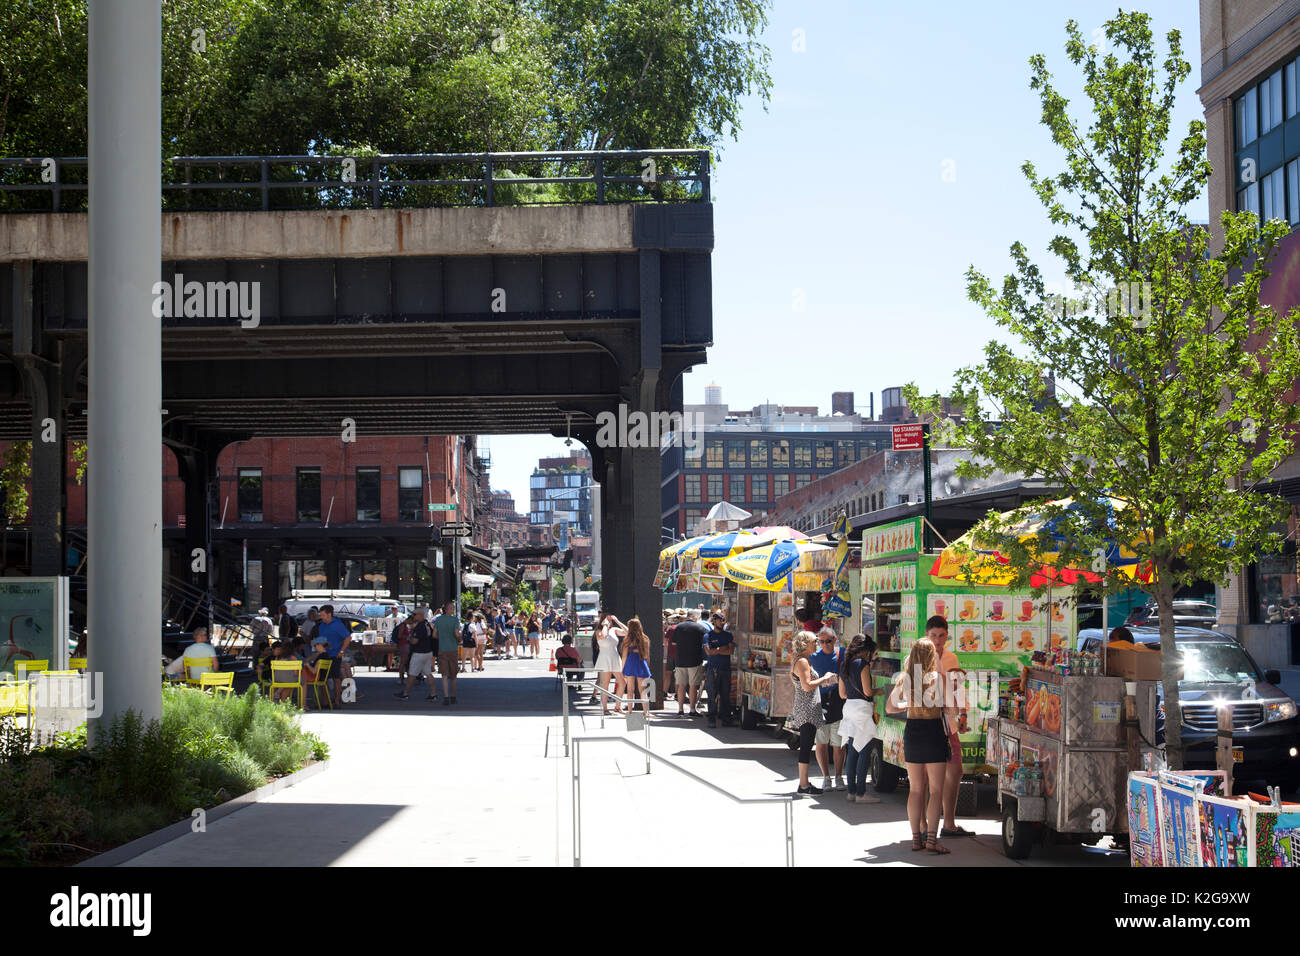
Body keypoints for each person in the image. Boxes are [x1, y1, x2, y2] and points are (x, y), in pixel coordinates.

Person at [887, 636, 951, 855]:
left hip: (913, 731)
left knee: (915, 790)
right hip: (933, 732)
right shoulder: (938, 678)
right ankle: (932, 841)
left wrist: (910, 705)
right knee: (936, 790)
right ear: (932, 656)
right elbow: (952, 709)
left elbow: (890, 707)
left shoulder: (906, 678)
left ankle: (916, 839)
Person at [928, 616, 973, 839]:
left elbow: (959, 688)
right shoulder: (917, 657)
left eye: (942, 635)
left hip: (948, 722)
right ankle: (926, 832)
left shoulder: (952, 657)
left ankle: (949, 823)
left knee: (955, 771)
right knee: (926, 779)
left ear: (947, 636)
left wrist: (963, 713)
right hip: (926, 723)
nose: (937, 640)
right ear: (927, 635)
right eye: (934, 635)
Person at [790, 630, 836, 795]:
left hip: (808, 706)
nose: (817, 643)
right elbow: (807, 685)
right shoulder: (802, 661)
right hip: (806, 708)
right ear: (805, 644)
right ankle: (803, 784)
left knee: (808, 744)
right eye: (814, 641)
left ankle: (805, 782)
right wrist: (824, 678)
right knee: (806, 745)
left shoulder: (804, 660)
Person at [838, 634, 881, 804]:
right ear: (865, 650)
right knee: (864, 750)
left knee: (852, 750)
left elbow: (842, 694)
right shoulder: (862, 664)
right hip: (862, 710)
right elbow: (868, 691)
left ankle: (851, 791)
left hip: (848, 709)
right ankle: (861, 793)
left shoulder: (844, 665)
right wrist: (880, 691)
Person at [809, 626, 846, 791]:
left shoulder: (842, 653)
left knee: (839, 744)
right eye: (821, 642)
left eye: (828, 641)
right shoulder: (812, 657)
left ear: (835, 640)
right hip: (820, 702)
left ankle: (839, 777)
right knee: (821, 742)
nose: (825, 645)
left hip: (838, 702)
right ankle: (826, 777)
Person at [313, 604, 356, 704]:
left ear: (329, 614)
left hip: (335, 655)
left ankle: (336, 701)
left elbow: (348, 638)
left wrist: (341, 651)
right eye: (321, 615)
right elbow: (323, 639)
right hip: (324, 654)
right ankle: (325, 701)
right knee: (323, 679)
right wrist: (320, 644)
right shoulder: (322, 625)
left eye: (323, 615)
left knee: (336, 678)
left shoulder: (338, 624)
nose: (321, 617)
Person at [394, 608, 437, 701]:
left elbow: (414, 641)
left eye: (415, 614)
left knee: (412, 673)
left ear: (421, 615)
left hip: (419, 653)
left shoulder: (420, 626)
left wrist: (409, 638)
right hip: (428, 652)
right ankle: (433, 694)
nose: (413, 616)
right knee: (428, 673)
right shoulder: (427, 624)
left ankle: (405, 693)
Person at [672, 610, 708, 716]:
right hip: (695, 660)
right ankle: (692, 710)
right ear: (695, 617)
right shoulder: (700, 628)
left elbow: (674, 642)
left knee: (681, 685)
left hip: (680, 660)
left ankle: (680, 710)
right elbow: (706, 642)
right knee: (693, 686)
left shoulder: (678, 627)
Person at [704, 611, 735, 728]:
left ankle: (726, 718)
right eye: (719, 620)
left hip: (726, 669)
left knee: (725, 694)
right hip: (713, 669)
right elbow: (708, 652)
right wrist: (722, 648)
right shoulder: (708, 636)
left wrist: (716, 650)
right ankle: (711, 718)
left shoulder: (728, 635)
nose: (721, 623)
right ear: (714, 621)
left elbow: (731, 651)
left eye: (723, 620)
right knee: (712, 694)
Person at [593, 613, 627, 715]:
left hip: (615, 658)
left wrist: (617, 621)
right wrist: (605, 625)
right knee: (605, 684)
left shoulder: (614, 630)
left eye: (610, 620)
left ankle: (618, 706)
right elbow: (602, 636)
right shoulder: (599, 631)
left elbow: (627, 632)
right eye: (608, 620)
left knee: (622, 682)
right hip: (605, 658)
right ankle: (605, 708)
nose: (610, 622)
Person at [620, 617, 654, 719]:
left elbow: (624, 656)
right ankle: (646, 712)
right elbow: (647, 656)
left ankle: (630, 711)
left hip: (630, 664)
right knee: (643, 690)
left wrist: (623, 669)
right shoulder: (645, 639)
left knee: (630, 690)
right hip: (641, 664)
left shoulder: (627, 639)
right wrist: (647, 667)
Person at [433, 600, 461, 705]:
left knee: (444, 674)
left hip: (442, 649)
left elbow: (434, 635)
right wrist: (459, 639)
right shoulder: (454, 620)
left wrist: (442, 637)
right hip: (452, 649)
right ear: (449, 609)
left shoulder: (438, 620)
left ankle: (446, 697)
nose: (453, 609)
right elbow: (456, 633)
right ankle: (453, 696)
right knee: (453, 674)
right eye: (453, 608)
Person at [394, 612, 414, 686]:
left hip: (404, 645)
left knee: (405, 662)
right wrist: (407, 637)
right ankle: (401, 678)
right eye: (412, 621)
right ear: (409, 620)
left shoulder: (405, 625)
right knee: (403, 662)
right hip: (403, 645)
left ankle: (402, 678)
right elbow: (399, 636)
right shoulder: (403, 625)